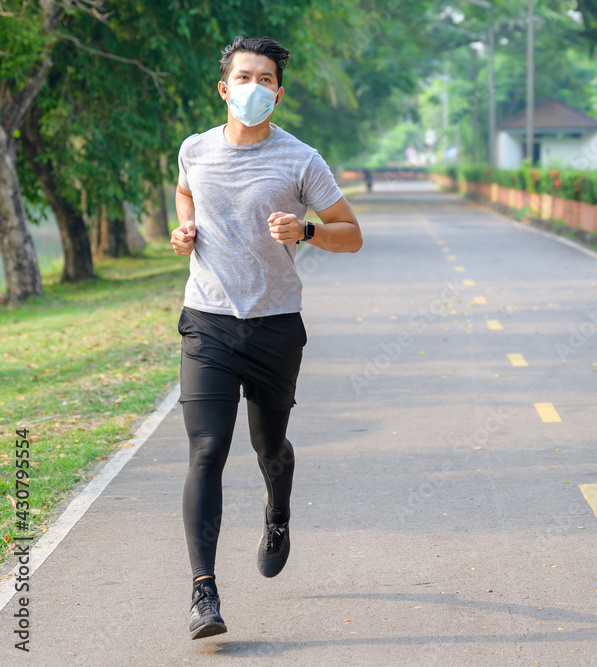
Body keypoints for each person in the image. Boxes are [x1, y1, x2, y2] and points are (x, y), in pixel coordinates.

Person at [170, 34, 362, 640]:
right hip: (208, 322)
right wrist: (185, 228)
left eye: (266, 79)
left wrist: (305, 229)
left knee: (268, 447)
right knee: (207, 451)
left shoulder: (301, 159)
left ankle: (277, 512)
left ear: (278, 91)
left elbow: (350, 232)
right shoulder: (194, 150)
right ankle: (204, 593)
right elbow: (185, 192)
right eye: (244, 77)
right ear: (225, 88)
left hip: (276, 326)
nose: (255, 87)